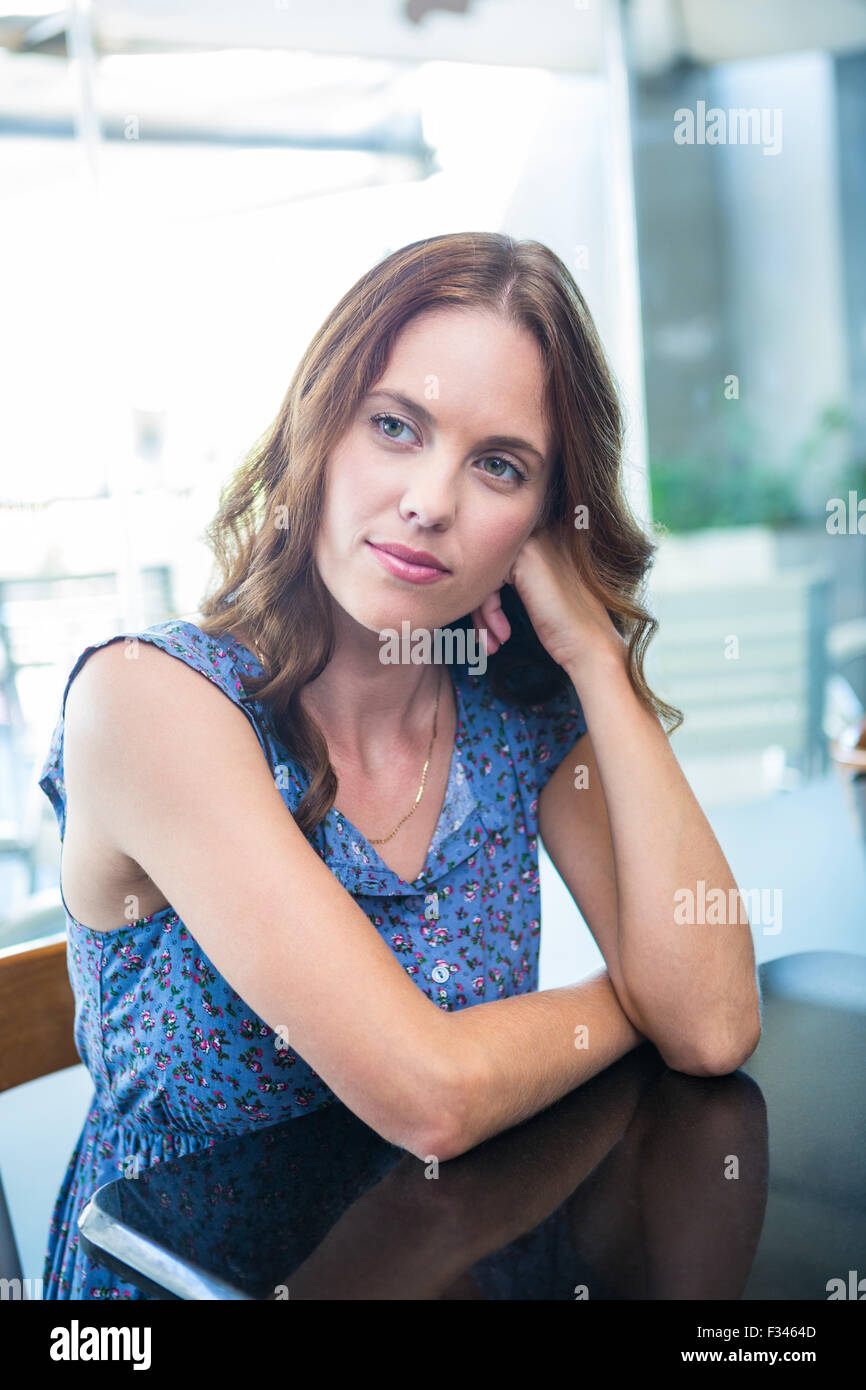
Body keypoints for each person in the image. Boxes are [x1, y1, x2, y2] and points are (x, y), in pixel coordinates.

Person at [38, 231, 761, 1299]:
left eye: (498, 465)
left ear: (540, 523)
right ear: (319, 428)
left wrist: (595, 660)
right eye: (395, 426)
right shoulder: (154, 705)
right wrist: (627, 998)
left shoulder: (515, 713)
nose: (431, 500)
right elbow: (432, 1096)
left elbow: (707, 1024)